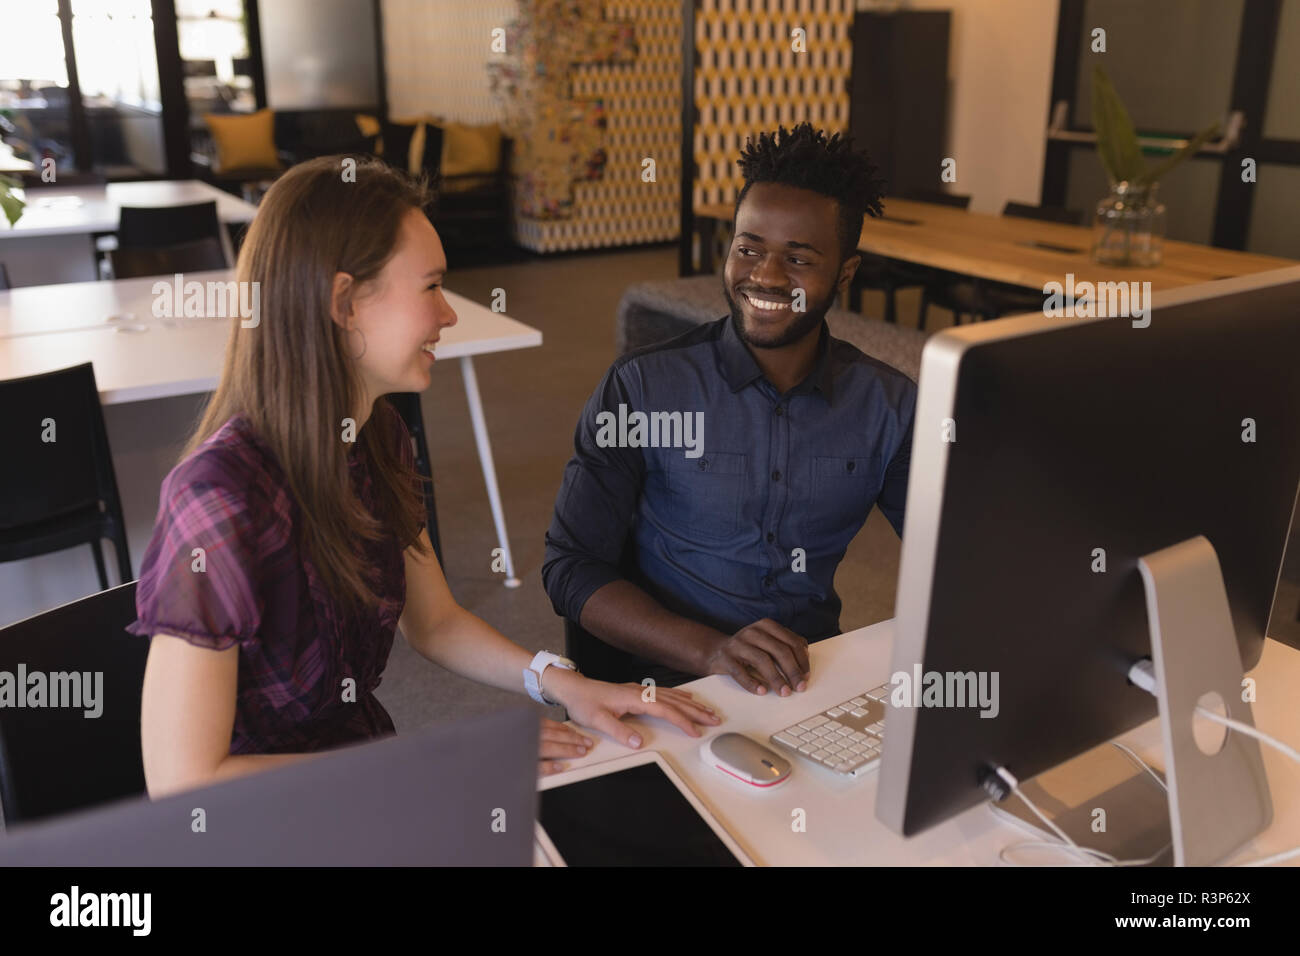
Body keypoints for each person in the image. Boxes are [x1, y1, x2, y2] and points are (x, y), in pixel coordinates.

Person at [132, 156, 718, 798]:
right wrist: (438, 763)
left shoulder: (379, 436)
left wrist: (563, 681)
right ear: (344, 302)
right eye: (431, 287)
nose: (449, 314)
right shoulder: (218, 498)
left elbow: (433, 620)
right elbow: (183, 784)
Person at [543, 122, 917, 696]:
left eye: (799, 258)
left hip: (806, 678)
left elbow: (955, 552)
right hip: (665, 680)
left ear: (844, 273)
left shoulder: (887, 405)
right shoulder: (643, 386)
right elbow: (570, 566)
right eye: (749, 249)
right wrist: (711, 650)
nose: (764, 276)